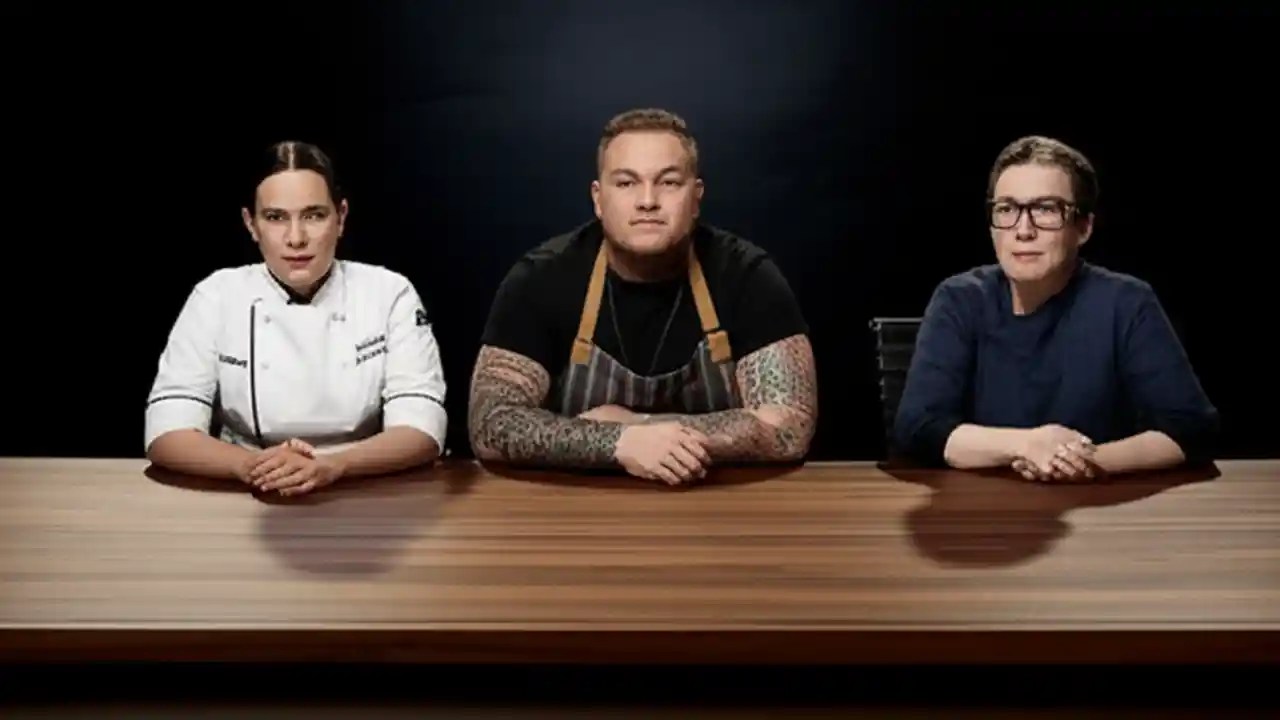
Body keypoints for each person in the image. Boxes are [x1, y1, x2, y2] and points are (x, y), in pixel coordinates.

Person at [467, 108, 817, 486]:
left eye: (668, 182)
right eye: (626, 183)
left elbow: (789, 427)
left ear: (696, 198)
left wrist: (637, 426)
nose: (647, 201)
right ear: (598, 199)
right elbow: (492, 423)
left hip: (716, 503)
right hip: (577, 506)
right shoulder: (542, 277)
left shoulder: (746, 275)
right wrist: (616, 444)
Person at [893, 135, 1218, 481]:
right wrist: (1026, 445)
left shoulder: (1127, 302)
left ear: (1083, 227)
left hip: (1100, 506)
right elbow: (918, 427)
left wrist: (1079, 463)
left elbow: (1190, 427)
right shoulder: (959, 299)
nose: (1023, 230)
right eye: (1006, 209)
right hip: (981, 507)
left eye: (1046, 209)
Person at [144, 140, 448, 495]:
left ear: (341, 217)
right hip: (246, 490)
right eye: (275, 218)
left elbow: (423, 428)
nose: (296, 238)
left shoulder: (389, 293)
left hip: (363, 484)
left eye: (314, 215)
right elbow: (166, 431)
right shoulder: (216, 296)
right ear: (251, 224)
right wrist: (251, 466)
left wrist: (336, 465)